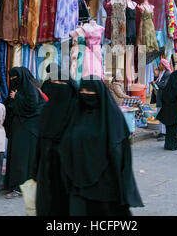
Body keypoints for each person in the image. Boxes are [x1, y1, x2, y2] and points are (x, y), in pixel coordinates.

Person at [59, 77, 144, 216]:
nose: (86, 94)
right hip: (78, 182)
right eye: (83, 90)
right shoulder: (76, 115)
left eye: (90, 91)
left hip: (105, 184)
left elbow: (122, 154)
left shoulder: (113, 118)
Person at [34, 64, 78, 216]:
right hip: (47, 174)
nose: (58, 87)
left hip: (69, 175)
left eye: (62, 83)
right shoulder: (47, 110)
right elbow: (39, 143)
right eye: (55, 83)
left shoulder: (76, 111)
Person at [4, 67, 46, 198]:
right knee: (18, 158)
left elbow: (31, 105)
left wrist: (17, 97)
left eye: (14, 78)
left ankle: (20, 187)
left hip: (28, 130)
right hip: (20, 130)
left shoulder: (30, 89)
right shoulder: (21, 88)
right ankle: (17, 185)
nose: (12, 81)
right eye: (10, 78)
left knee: (22, 159)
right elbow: (10, 104)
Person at [150, 59, 172, 141]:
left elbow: (164, 85)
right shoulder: (160, 74)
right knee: (160, 114)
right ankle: (161, 131)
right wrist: (155, 78)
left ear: (163, 65)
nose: (158, 66)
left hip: (164, 98)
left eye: (160, 64)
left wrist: (155, 83)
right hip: (160, 97)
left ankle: (164, 133)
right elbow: (158, 84)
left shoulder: (168, 74)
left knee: (163, 115)